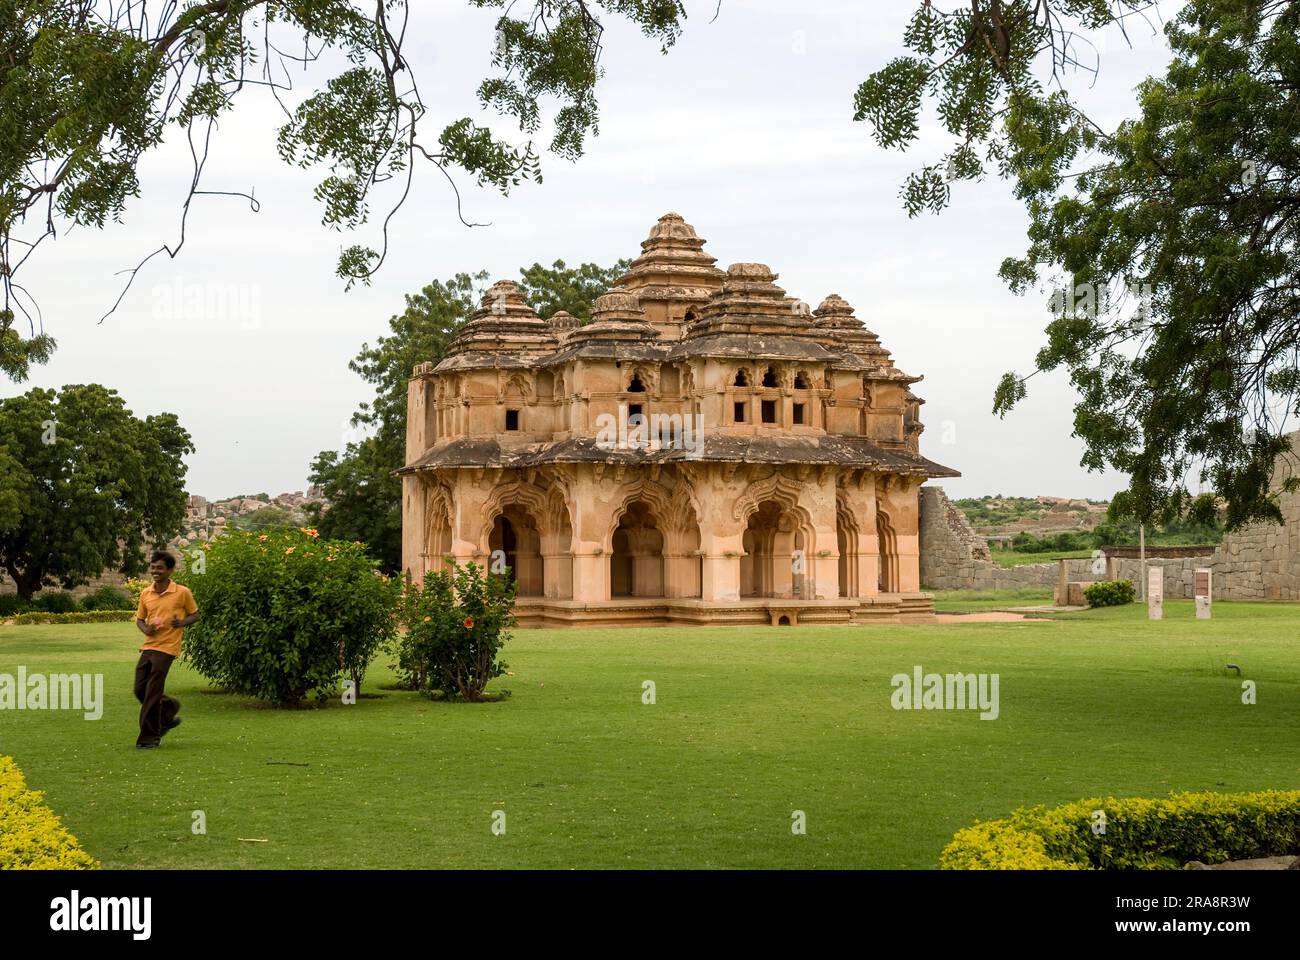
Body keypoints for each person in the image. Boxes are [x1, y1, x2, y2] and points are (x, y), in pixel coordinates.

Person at [133, 551, 199, 749]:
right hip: (149, 646)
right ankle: (168, 708)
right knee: (140, 689)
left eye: (160, 567)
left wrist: (181, 622)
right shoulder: (146, 593)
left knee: (152, 692)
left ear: (170, 570)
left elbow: (195, 615)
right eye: (153, 567)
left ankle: (149, 737)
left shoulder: (182, 592)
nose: (155, 571)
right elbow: (140, 619)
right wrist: (147, 629)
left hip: (168, 648)